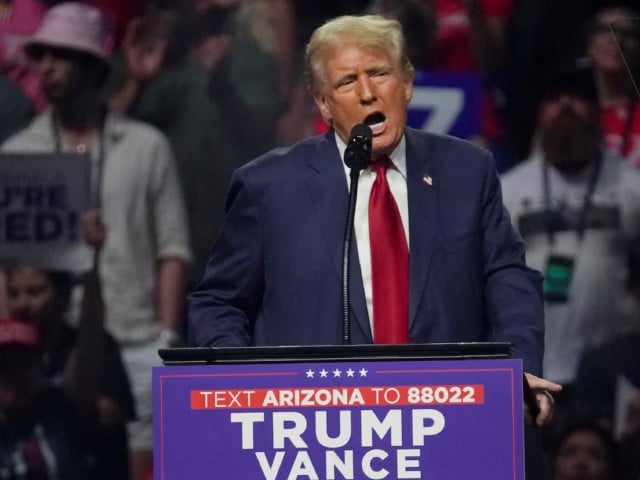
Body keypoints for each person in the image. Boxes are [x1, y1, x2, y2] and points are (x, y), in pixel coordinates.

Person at [188, 14, 560, 425]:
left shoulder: (466, 171)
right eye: (347, 82)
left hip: (448, 422)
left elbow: (507, 278)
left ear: (406, 83)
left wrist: (518, 369)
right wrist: (246, 389)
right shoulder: (269, 186)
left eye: (380, 74)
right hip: (313, 430)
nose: (367, 93)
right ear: (323, 103)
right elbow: (218, 303)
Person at [1, 4, 192, 479]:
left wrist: (165, 340)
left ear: (92, 67)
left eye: (62, 56)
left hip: (135, 338)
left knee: (145, 470)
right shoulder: (18, 152)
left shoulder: (146, 146)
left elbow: (173, 248)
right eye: (42, 55)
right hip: (47, 348)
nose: (47, 67)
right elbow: (5, 258)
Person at [501, 62, 640, 402]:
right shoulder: (509, 190)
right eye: (554, 99)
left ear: (596, 111)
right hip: (530, 367)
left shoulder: (630, 185)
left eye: (577, 98)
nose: (565, 106)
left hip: (610, 368)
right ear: (539, 115)